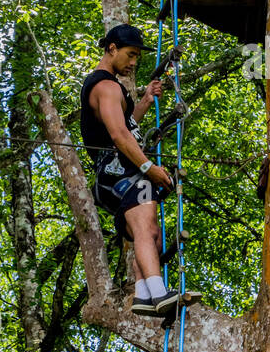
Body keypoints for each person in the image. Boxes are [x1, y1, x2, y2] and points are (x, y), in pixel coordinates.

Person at [80, 24, 198, 319]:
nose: (133, 64)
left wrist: (144, 102)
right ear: (111, 49)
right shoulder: (105, 86)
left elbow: (125, 125)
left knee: (151, 232)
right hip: (118, 171)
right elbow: (120, 136)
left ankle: (145, 295)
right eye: (130, 55)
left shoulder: (110, 89)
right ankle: (159, 293)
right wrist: (150, 168)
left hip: (115, 174)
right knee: (146, 226)